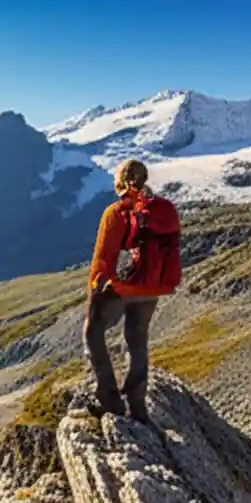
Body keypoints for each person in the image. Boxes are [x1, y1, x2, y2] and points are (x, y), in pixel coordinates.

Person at [83, 159, 182, 423]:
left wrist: (96, 289)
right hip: (153, 287)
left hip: (124, 286)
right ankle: (137, 407)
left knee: (93, 332)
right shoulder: (161, 210)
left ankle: (109, 399)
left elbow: (104, 257)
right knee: (137, 341)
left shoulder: (117, 212)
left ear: (121, 182)